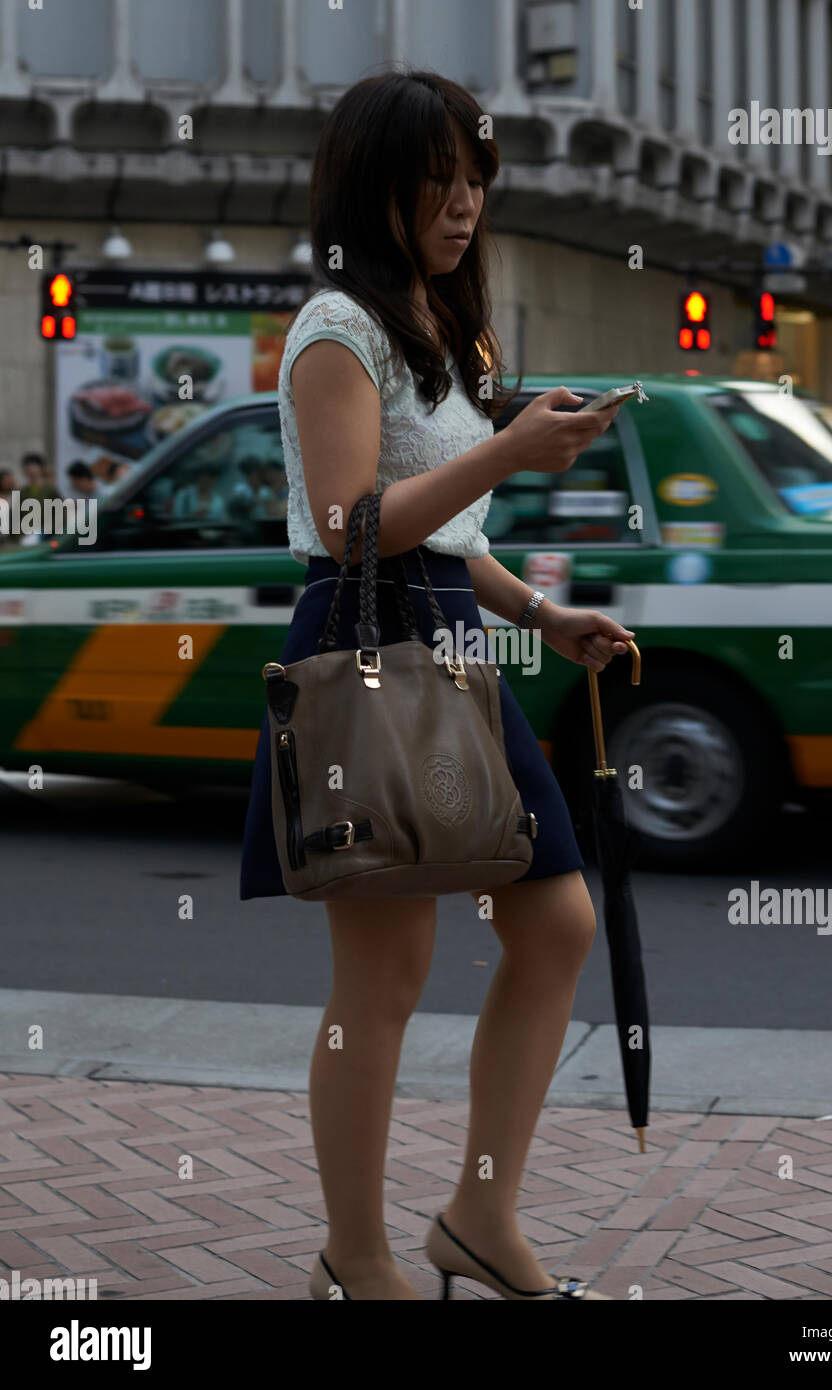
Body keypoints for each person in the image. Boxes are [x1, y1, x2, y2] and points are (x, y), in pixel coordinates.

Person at [239, 69, 633, 1303]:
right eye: (437, 181)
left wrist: (540, 612)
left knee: (557, 920)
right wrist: (511, 448)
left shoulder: (447, 324)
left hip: (455, 640)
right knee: (384, 977)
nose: (464, 203)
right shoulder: (333, 328)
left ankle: (476, 1211)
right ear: (377, 187)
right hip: (363, 644)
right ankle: (354, 1257)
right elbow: (355, 520)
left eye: (476, 179)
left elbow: (452, 537)